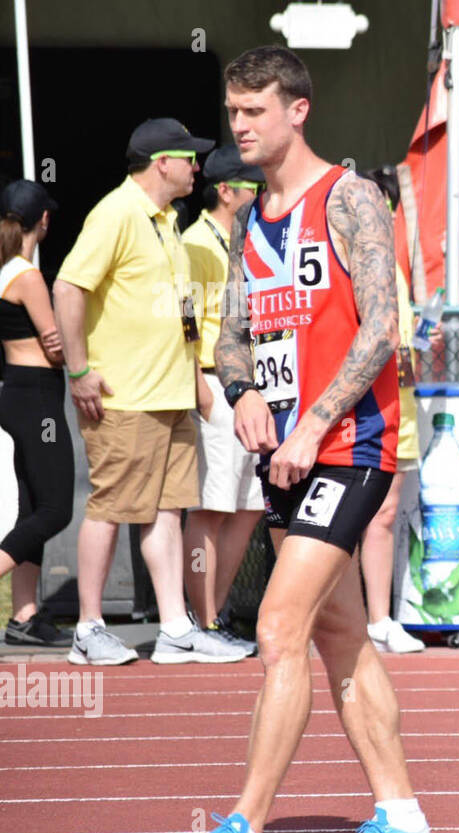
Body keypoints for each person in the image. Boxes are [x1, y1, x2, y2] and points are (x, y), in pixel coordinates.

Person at [179, 45, 428, 833]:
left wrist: (311, 424)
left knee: (278, 628)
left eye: (254, 111)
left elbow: (383, 328)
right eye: (234, 111)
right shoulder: (252, 220)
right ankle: (401, 814)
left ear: (298, 110)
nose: (239, 126)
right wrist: (246, 391)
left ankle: (241, 826)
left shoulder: (350, 198)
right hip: (283, 455)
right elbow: (233, 335)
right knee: (340, 634)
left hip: (349, 447)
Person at [53, 118, 250, 666]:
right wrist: (78, 371)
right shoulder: (116, 212)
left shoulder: (167, 219)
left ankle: (175, 629)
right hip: (124, 394)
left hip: (168, 396)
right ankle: (88, 628)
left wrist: (192, 384)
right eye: (188, 158)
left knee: (167, 512)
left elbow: (182, 316)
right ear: (162, 163)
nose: (197, 167)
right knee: (110, 508)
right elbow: (68, 285)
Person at [181, 145, 265, 655]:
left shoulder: (244, 237)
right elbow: (184, 321)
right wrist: (201, 390)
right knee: (211, 508)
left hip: (250, 388)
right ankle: (203, 620)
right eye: (250, 185)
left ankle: (218, 610)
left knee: (249, 507)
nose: (259, 192)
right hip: (215, 384)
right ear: (226, 190)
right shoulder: (195, 243)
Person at [357, 164, 438, 655]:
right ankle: (340, 618)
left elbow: (408, 332)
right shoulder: (352, 261)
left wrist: (425, 337)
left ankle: (380, 620)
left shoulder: (399, 268)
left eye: (390, 209)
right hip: (362, 406)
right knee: (346, 517)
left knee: (384, 516)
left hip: (402, 406)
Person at [0, 180, 74, 647]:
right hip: (40, 399)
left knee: (31, 507)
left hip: (14, 392)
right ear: (42, 221)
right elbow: (57, 346)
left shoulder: (3, 271)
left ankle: (23, 615)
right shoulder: (27, 276)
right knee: (55, 510)